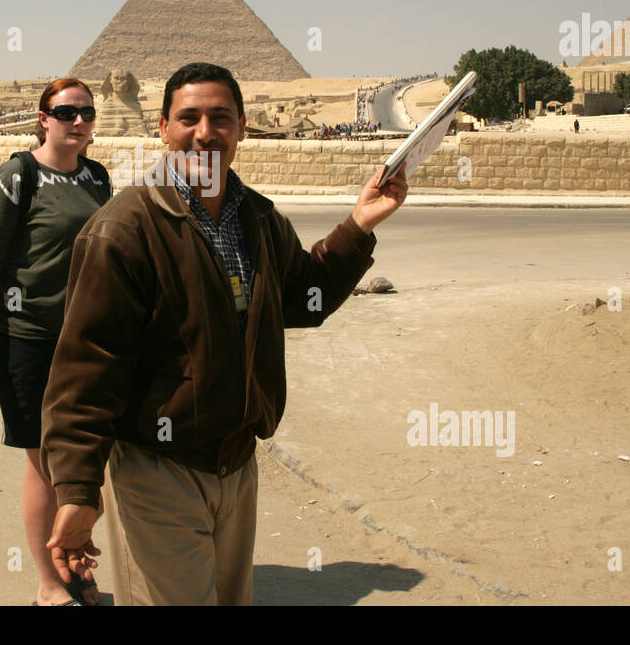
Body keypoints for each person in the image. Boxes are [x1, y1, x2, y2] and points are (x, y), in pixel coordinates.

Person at [41, 62, 408, 606]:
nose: (205, 132)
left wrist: (358, 226)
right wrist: (76, 488)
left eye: (220, 118)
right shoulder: (124, 230)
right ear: (162, 127)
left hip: (236, 465)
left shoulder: (257, 218)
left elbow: (304, 298)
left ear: (241, 128)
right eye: (189, 117)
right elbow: (87, 367)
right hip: (158, 467)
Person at [0, 77, 111, 606]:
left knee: (83, 463)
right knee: (45, 464)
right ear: (42, 118)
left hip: (83, 342)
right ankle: (48, 583)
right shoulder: (16, 176)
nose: (78, 121)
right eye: (66, 112)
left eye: (87, 111)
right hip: (25, 339)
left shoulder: (97, 177)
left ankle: (74, 566)